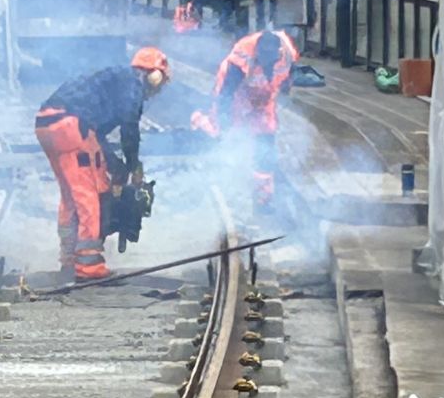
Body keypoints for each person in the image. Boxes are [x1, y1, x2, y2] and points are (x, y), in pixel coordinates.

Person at [34, 47, 168, 280]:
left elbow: (98, 136)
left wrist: (116, 165)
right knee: (90, 194)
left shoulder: (114, 80)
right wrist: (134, 165)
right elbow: (129, 128)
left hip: (46, 124)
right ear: (154, 75)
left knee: (70, 195)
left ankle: (68, 258)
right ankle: (88, 264)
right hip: (71, 125)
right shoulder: (133, 84)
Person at [193, 30, 298, 207]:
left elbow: (290, 72)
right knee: (221, 127)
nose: (268, 66)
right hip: (238, 91)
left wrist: (286, 86)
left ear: (278, 53)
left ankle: (262, 195)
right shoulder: (241, 57)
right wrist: (224, 119)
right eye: (264, 61)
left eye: (271, 62)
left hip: (264, 93)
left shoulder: (287, 51)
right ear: (257, 53)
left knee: (266, 138)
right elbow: (226, 94)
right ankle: (201, 127)